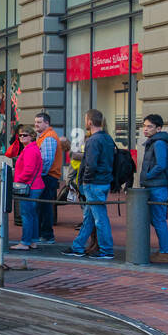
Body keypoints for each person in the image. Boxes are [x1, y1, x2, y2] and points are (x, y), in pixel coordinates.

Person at [62, 109, 115, 260]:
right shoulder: (107, 138)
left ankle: (106, 250)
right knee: (90, 217)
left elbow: (90, 164)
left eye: (86, 120)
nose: (85, 122)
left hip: (94, 183)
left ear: (90, 122)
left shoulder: (93, 140)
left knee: (99, 218)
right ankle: (77, 246)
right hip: (103, 181)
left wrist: (85, 181)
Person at [139, 114, 168, 264]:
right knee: (156, 220)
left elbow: (161, 165)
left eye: (149, 126)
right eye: (144, 126)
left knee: (159, 220)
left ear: (158, 128)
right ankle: (163, 251)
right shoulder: (153, 142)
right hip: (154, 186)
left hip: (157, 187)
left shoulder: (158, 143)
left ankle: (165, 252)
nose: (145, 129)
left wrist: (147, 176)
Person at [10, 127, 44, 250]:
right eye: (20, 135)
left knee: (27, 215)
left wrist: (17, 181)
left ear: (31, 136)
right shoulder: (32, 148)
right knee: (32, 214)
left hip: (30, 186)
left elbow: (28, 171)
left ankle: (25, 242)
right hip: (35, 185)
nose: (22, 137)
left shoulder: (30, 150)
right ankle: (33, 241)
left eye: (25, 135)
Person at [33, 111, 64, 246]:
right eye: (35, 122)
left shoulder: (49, 137)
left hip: (48, 176)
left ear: (47, 123)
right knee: (43, 206)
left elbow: (47, 160)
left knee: (45, 207)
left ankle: (47, 235)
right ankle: (43, 234)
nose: (36, 125)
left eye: (39, 122)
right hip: (46, 176)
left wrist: (40, 175)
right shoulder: (42, 137)